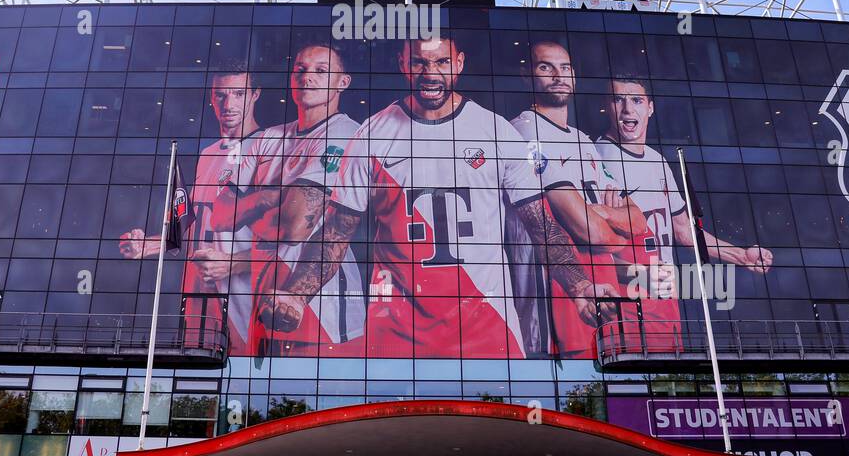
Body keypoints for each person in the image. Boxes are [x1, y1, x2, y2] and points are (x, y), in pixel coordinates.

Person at [258, 34, 608, 359]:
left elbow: (542, 227)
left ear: (458, 64)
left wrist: (579, 286)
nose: (430, 74)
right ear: (403, 64)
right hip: (395, 330)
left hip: (489, 326)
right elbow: (336, 233)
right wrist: (296, 294)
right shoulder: (372, 135)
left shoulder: (496, 131)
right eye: (419, 63)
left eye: (441, 63)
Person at [597, 74, 774, 351]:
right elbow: (592, 248)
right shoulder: (598, 158)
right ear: (607, 106)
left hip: (665, 299)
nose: (628, 109)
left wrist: (741, 255)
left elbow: (683, 231)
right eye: (618, 99)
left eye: (636, 100)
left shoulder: (657, 161)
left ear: (650, 107)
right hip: (628, 300)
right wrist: (638, 273)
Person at [508, 40, 646, 358]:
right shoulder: (525, 134)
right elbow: (590, 232)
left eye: (565, 68)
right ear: (527, 75)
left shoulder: (582, 139)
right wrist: (607, 222)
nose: (558, 75)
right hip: (560, 301)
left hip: (604, 294)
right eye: (546, 67)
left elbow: (638, 220)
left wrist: (599, 214)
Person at [119, 60, 262, 353]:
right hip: (200, 292)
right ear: (211, 97)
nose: (228, 103)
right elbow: (192, 227)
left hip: (243, 296)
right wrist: (148, 245)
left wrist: (233, 263)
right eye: (221, 94)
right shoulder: (208, 153)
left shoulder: (271, 147)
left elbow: (290, 244)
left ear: (255, 95)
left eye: (238, 93)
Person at [236, 41, 365, 356]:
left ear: (342, 83)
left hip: (320, 305)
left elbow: (294, 226)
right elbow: (222, 213)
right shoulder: (270, 137)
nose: (308, 77)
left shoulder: (346, 134)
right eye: (301, 70)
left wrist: (255, 205)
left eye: (322, 71)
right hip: (261, 287)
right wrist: (277, 200)